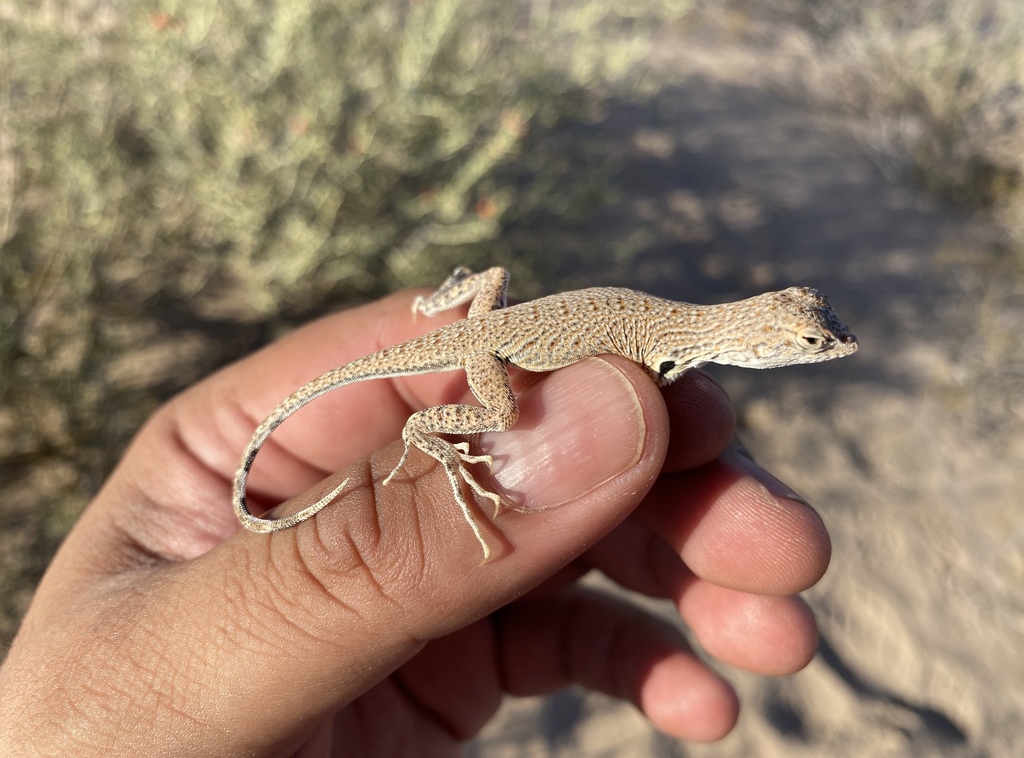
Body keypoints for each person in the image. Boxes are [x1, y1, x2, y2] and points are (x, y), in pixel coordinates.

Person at [0, 286, 829, 756]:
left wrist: (463, 299)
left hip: (488, 319)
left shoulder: (676, 336)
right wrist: (450, 439)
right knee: (499, 412)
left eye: (808, 337)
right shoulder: (663, 341)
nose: (820, 346)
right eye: (807, 340)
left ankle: (461, 299)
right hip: (483, 349)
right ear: (761, 339)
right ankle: (427, 433)